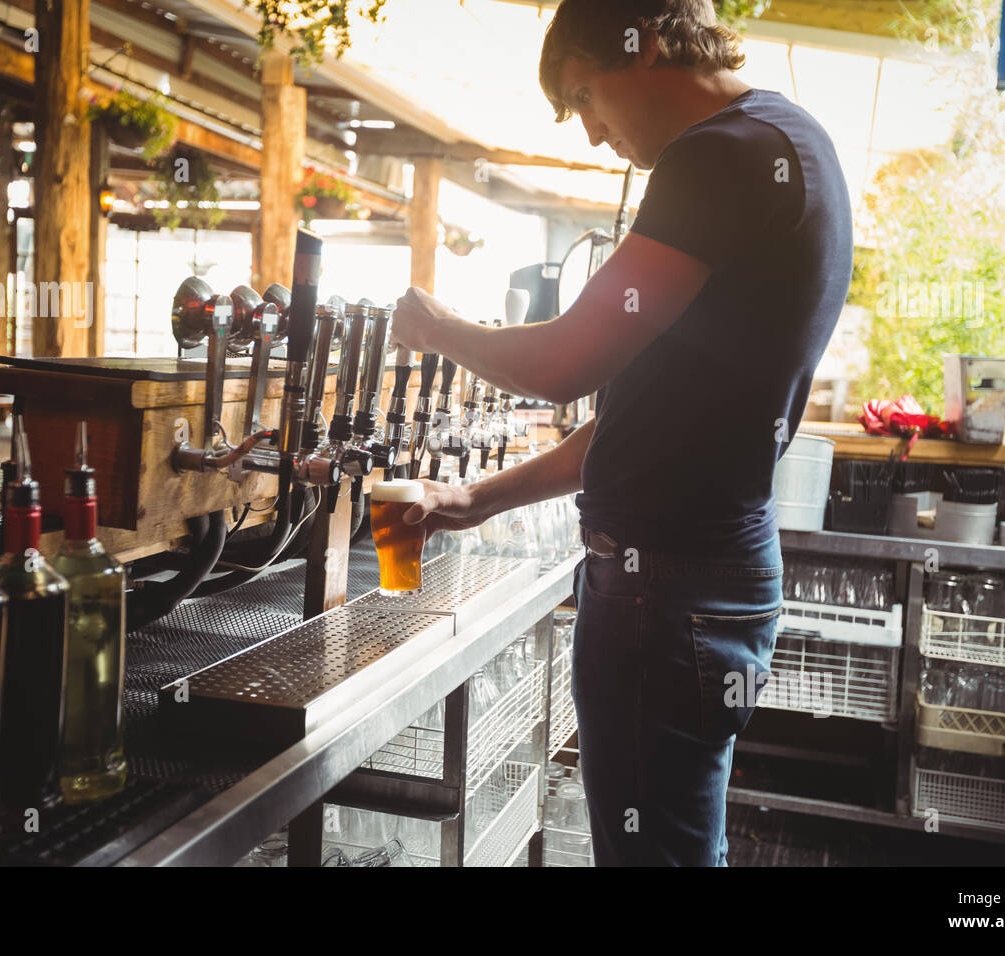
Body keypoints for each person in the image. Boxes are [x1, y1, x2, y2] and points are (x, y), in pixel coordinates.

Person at [389, 0, 852, 866]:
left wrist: (439, 327)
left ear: (643, 49)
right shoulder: (786, 138)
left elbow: (568, 361)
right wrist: (476, 495)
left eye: (585, 97)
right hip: (709, 580)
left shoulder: (721, 156)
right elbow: (650, 419)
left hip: (667, 597)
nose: (595, 136)